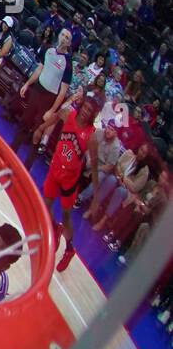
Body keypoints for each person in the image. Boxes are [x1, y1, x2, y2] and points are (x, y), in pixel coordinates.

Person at [44, 98, 101, 272]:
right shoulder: (68, 113)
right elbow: (52, 119)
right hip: (55, 168)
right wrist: (40, 129)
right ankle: (55, 228)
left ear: (93, 115)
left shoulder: (91, 136)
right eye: (85, 107)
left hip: (69, 179)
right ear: (81, 106)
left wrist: (96, 196)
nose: (85, 112)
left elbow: (95, 166)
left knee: (67, 215)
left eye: (90, 111)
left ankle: (69, 249)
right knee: (46, 205)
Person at [12, 29, 73, 164]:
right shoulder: (49, 50)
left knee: (37, 133)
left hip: (49, 99)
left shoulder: (68, 64)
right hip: (37, 90)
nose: (64, 38)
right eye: (63, 34)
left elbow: (63, 91)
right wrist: (27, 84)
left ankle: (26, 166)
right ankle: (11, 152)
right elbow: (39, 69)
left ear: (69, 43)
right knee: (24, 122)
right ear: (58, 35)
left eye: (67, 37)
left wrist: (52, 111)